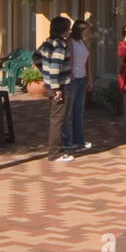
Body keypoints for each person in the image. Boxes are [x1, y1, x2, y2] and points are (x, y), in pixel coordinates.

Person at [34, 16, 74, 163]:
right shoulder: (59, 45)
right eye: (68, 28)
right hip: (59, 86)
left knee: (56, 118)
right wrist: (57, 87)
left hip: (51, 85)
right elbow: (56, 66)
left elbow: (36, 58)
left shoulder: (47, 43)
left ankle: (57, 149)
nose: (70, 31)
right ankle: (55, 153)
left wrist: (45, 72)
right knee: (58, 119)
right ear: (63, 29)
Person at [62, 19, 92, 152]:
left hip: (81, 78)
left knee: (79, 111)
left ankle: (78, 139)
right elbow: (70, 58)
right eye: (86, 31)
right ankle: (67, 140)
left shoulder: (82, 43)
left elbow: (87, 61)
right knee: (69, 111)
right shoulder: (70, 42)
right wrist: (71, 74)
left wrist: (89, 78)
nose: (87, 33)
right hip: (72, 80)